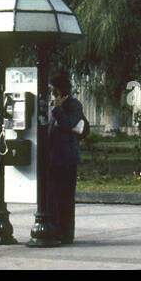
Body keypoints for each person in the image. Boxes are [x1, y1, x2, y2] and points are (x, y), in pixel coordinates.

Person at [47, 72, 84, 245]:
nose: (52, 94)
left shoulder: (74, 105)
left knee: (66, 196)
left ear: (61, 90)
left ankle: (66, 232)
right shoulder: (50, 104)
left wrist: (58, 107)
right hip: (51, 157)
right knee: (52, 195)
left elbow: (68, 124)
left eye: (54, 90)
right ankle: (53, 228)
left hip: (67, 157)